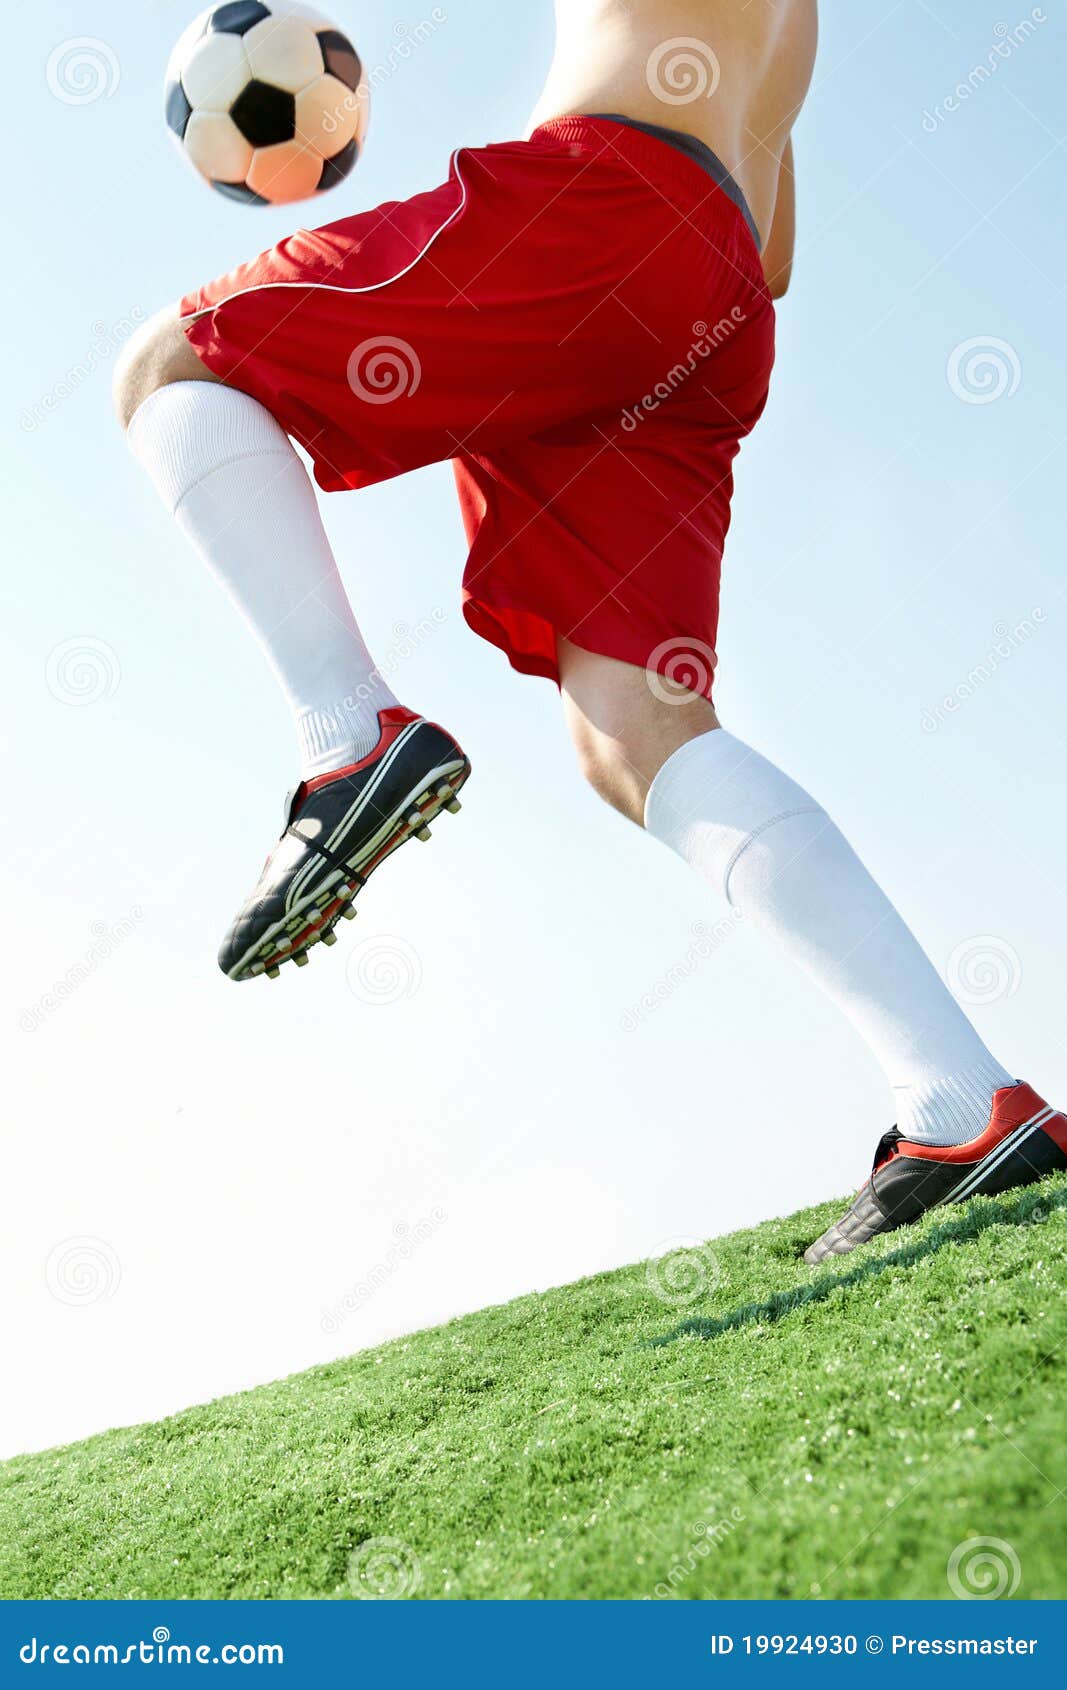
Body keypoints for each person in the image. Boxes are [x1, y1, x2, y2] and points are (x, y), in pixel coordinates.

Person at [113, 0, 1066, 1259]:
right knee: (637, 732)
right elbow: (774, 249)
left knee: (174, 367)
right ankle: (961, 1104)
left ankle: (347, 736)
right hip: (707, 297)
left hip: (604, 211)